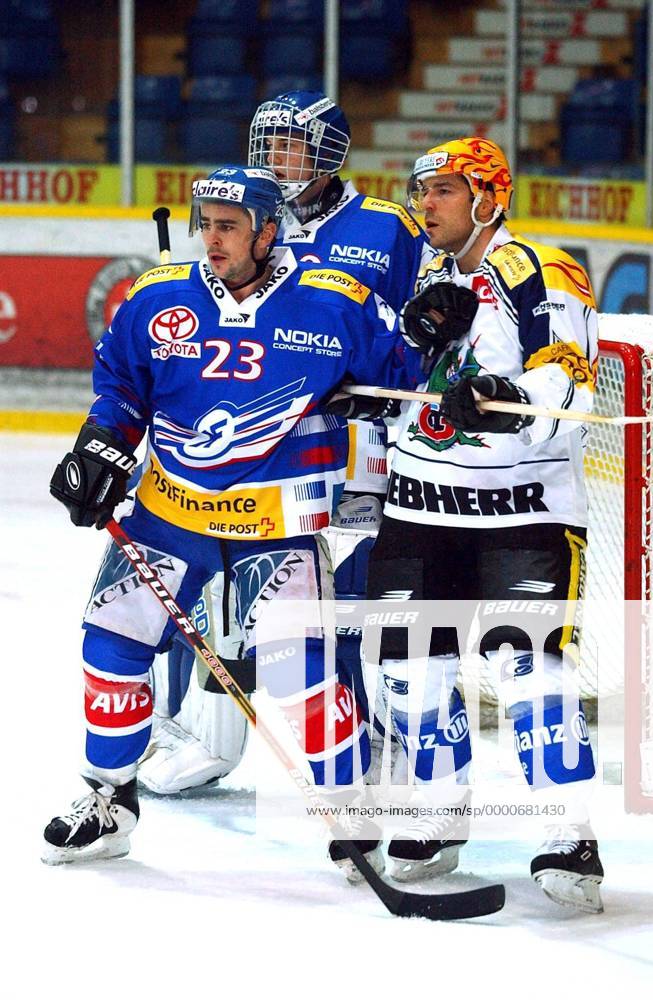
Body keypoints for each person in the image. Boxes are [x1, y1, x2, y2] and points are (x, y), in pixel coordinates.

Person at [42, 166, 425, 868]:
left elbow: (404, 373)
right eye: (206, 224)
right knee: (111, 646)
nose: (212, 239)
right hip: (169, 514)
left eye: (229, 226)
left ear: (267, 231)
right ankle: (109, 798)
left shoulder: (335, 300)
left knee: (305, 680)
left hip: (278, 524)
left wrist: (422, 342)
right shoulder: (157, 297)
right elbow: (122, 388)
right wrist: (100, 446)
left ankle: (350, 809)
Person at [142, 91, 436, 813]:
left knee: (345, 603)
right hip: (251, 450)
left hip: (356, 446)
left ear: (328, 153)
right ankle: (201, 733)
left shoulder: (387, 226)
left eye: (293, 146)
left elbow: (419, 329)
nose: (277, 158)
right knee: (214, 587)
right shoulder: (245, 213)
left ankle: (367, 744)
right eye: (267, 144)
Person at [364, 137, 604, 913]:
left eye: (443, 189)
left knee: (528, 668)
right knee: (410, 669)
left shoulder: (540, 268)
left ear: (490, 197)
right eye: (420, 189)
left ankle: (567, 831)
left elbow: (572, 375)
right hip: (418, 508)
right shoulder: (424, 276)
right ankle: (440, 812)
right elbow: (388, 382)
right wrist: (398, 357)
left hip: (520, 512)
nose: (425, 202)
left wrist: (509, 394)